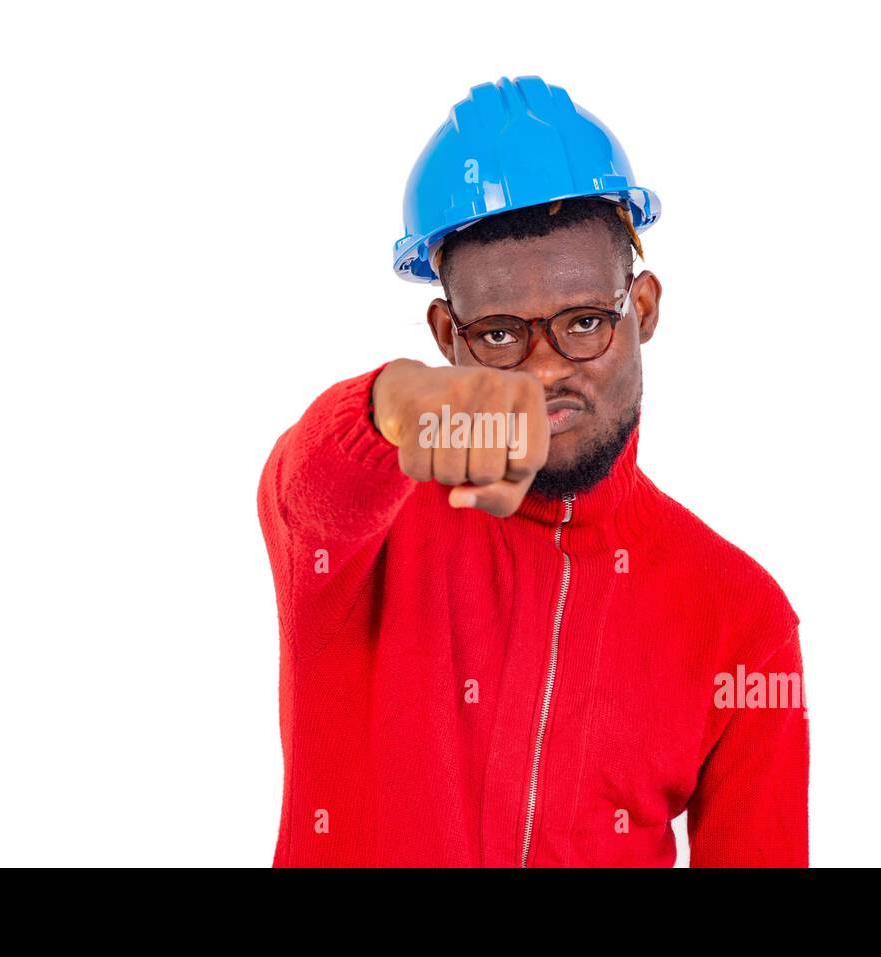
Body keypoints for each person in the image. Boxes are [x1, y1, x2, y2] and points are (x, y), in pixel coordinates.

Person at [257, 76, 808, 867]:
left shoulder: (743, 619)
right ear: (446, 332)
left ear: (643, 308)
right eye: (501, 334)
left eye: (585, 321)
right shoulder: (362, 528)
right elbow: (304, 488)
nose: (546, 370)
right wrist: (394, 402)